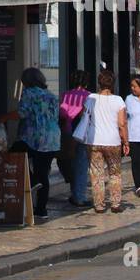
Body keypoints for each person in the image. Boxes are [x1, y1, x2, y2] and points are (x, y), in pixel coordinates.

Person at [5, 68, 61, 221]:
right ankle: (41, 210)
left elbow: (22, 113)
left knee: (12, 155)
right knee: (44, 173)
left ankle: (32, 180)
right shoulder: (51, 95)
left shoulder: (29, 93)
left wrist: (4, 118)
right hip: (53, 138)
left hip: (33, 137)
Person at [76, 69, 129, 213]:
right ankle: (115, 203)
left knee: (96, 173)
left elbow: (83, 115)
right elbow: (122, 124)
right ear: (113, 84)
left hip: (94, 141)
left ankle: (99, 205)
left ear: (99, 83)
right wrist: (126, 142)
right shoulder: (118, 100)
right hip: (113, 141)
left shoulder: (91, 98)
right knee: (115, 172)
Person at [59, 71, 90, 207]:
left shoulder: (66, 95)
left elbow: (62, 113)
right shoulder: (89, 96)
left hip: (67, 132)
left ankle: (74, 191)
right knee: (81, 164)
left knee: (68, 161)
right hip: (83, 134)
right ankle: (79, 196)